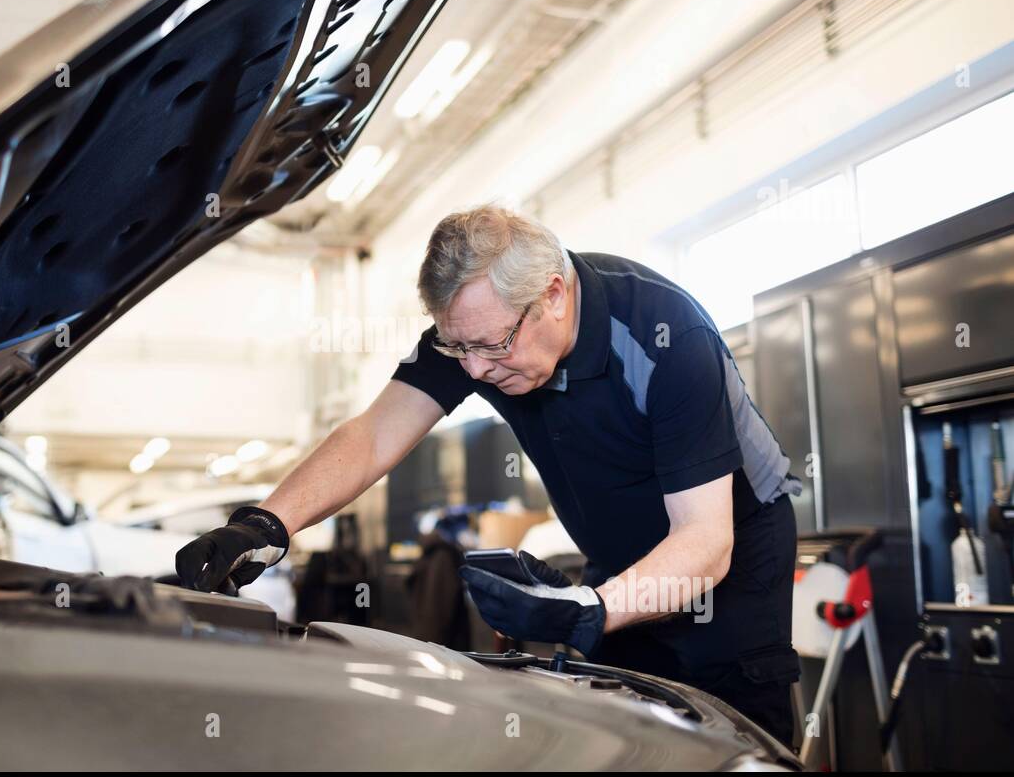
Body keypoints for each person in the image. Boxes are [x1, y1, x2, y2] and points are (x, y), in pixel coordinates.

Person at [176, 204, 802, 745]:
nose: (473, 371)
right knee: (631, 721)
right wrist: (265, 523)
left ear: (553, 295)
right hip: (620, 557)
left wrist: (588, 609)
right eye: (458, 349)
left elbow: (705, 544)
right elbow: (372, 436)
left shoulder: (665, 335)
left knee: (728, 725)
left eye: (491, 347)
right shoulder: (478, 329)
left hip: (729, 557)